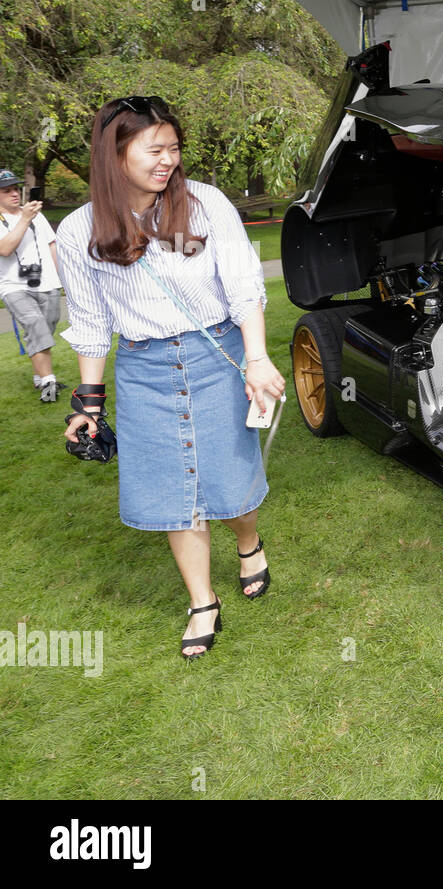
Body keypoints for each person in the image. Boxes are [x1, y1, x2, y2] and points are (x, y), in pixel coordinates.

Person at [57, 96, 286, 659]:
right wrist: (89, 405)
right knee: (173, 489)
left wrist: (257, 358)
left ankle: (248, 542)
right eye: (153, 149)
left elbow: (242, 285)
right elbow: (90, 324)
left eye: (173, 148)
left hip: (215, 357)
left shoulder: (205, 204)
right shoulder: (78, 230)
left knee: (231, 486)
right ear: (114, 154)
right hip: (144, 369)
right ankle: (202, 600)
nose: (167, 160)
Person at [0, 169, 66, 400]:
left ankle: (40, 375)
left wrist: (61, 279)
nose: (14, 194)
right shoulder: (23, 216)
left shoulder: (36, 214)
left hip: (47, 282)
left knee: (46, 328)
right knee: (35, 324)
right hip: (14, 286)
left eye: (15, 189)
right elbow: (5, 248)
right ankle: (49, 382)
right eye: (6, 190)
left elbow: (51, 244)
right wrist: (24, 219)